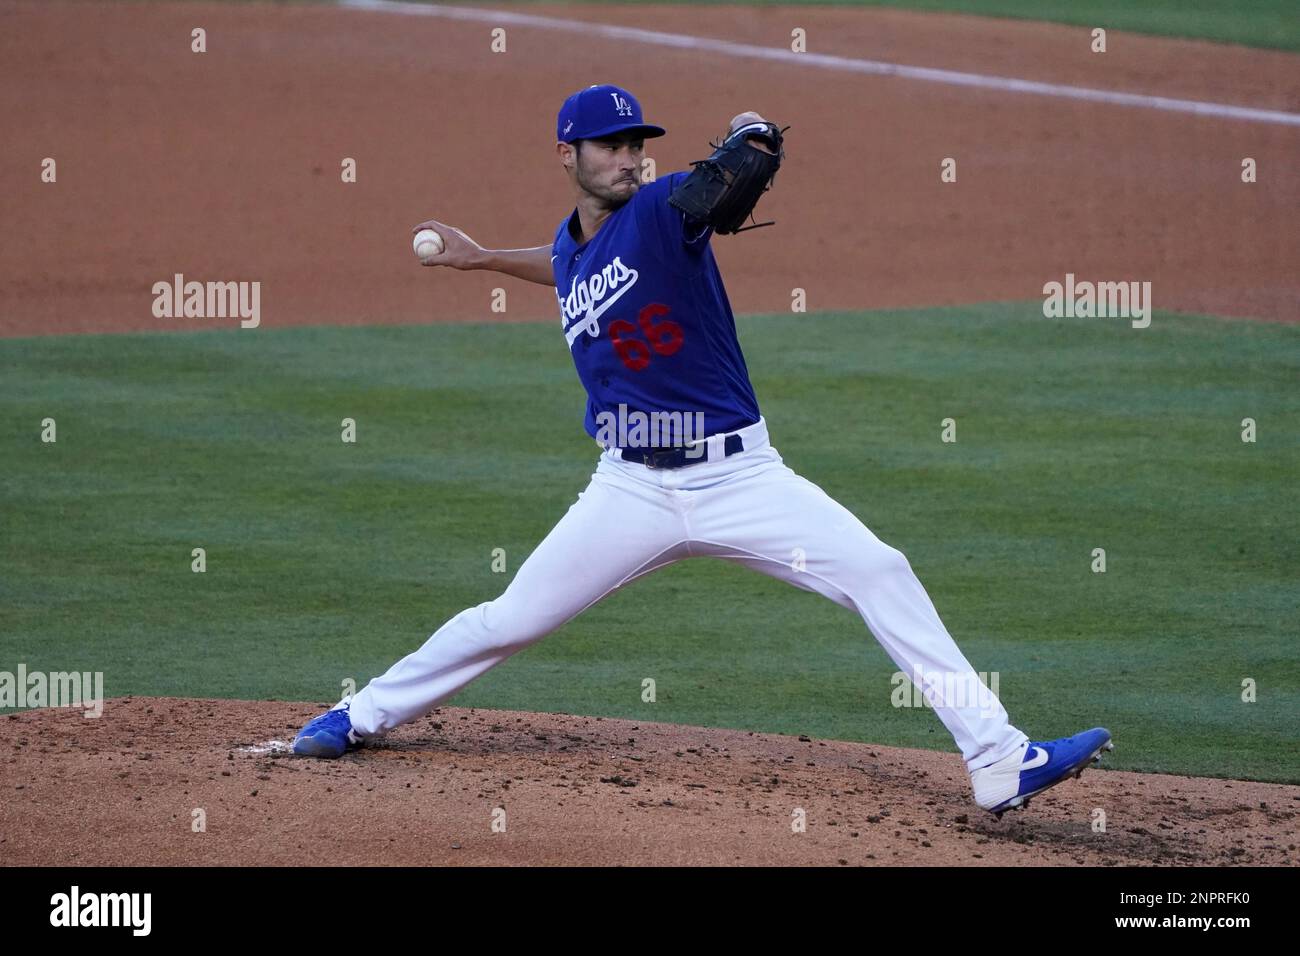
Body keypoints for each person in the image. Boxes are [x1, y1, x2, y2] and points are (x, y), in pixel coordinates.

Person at [292, 84, 1111, 817]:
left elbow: (713, 193)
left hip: (740, 478)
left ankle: (999, 758)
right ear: (566, 155)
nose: (627, 159)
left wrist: (753, 138)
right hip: (628, 492)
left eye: (636, 146)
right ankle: (358, 715)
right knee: (510, 617)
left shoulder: (662, 212)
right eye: (610, 146)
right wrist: (481, 258)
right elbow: (569, 264)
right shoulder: (578, 243)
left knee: (878, 569)